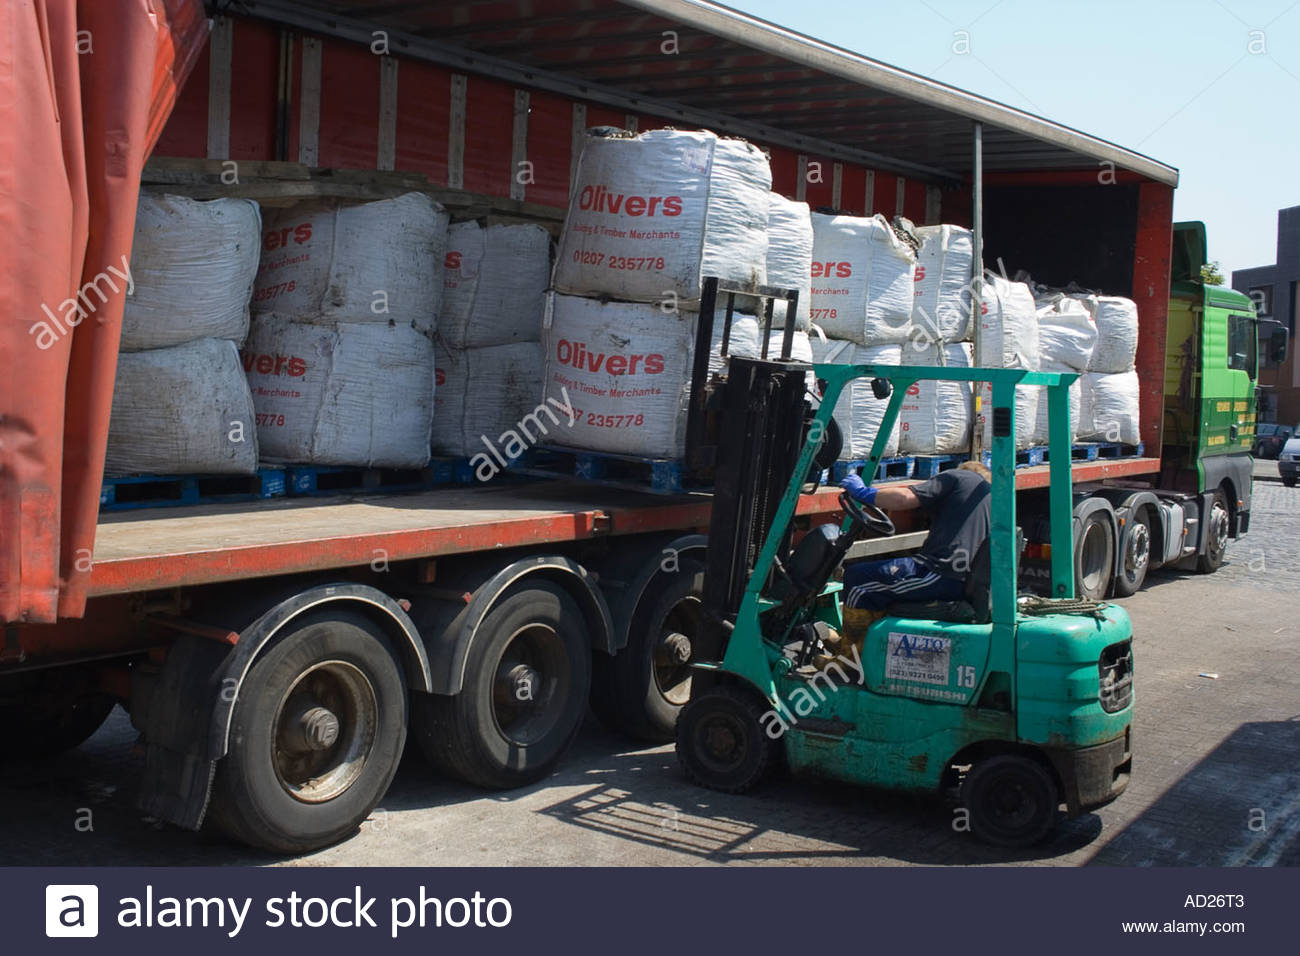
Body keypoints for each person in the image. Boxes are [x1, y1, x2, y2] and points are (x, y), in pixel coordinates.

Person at [837, 460, 991, 615]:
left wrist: (864, 493)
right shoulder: (989, 497)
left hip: (939, 574)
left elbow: (903, 499)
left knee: (858, 578)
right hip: (964, 580)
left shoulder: (960, 477)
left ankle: (855, 639)